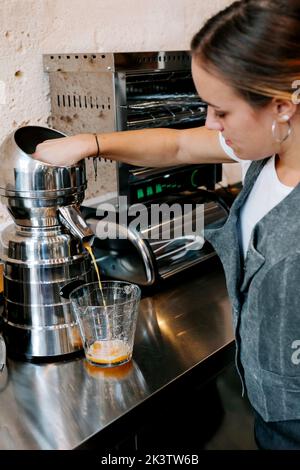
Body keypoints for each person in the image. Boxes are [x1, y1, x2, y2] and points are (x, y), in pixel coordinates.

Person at [33, 0, 300, 449]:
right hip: (268, 408)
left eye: (221, 110)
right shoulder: (272, 149)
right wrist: (89, 142)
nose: (210, 123)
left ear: (282, 106)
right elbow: (177, 146)